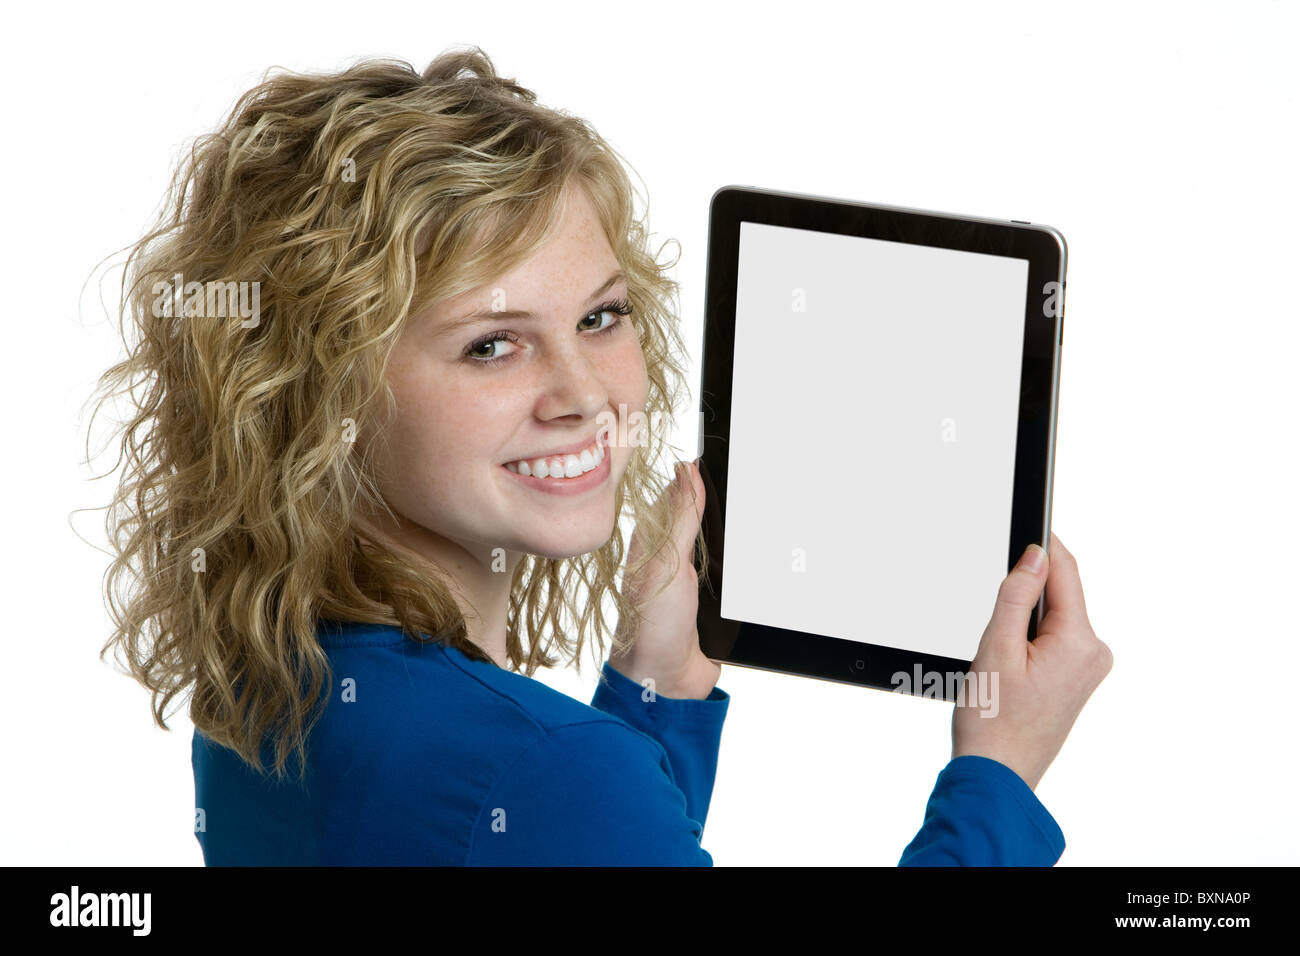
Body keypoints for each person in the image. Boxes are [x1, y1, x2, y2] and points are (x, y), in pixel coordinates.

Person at [91, 45, 1112, 866]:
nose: (583, 397)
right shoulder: (547, 770)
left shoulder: (268, 691)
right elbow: (552, 804)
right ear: (324, 393)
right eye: (491, 343)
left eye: (601, 315)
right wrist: (999, 778)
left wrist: (653, 688)